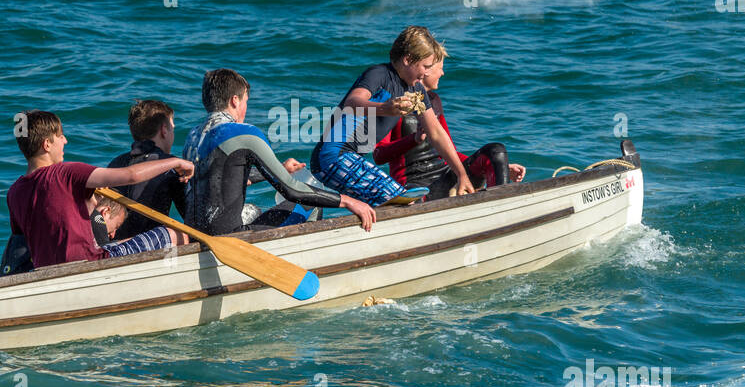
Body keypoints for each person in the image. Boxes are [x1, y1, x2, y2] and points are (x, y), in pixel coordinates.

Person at [183, 68, 376, 235]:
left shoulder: (192, 137)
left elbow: (222, 179)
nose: (245, 109)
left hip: (196, 234)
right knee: (312, 204)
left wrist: (280, 168)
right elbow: (292, 190)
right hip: (231, 241)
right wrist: (347, 201)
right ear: (235, 100)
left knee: (253, 210)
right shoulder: (244, 132)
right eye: (245, 101)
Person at [6, 110, 194, 270]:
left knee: (119, 243)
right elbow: (131, 175)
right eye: (60, 136)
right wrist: (175, 161)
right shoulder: (67, 172)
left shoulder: (14, 192)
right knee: (172, 235)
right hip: (88, 264)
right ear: (46, 144)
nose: (65, 140)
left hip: (46, 270)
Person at [310, 26, 475, 205]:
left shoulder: (416, 89)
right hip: (332, 156)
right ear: (408, 59)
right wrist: (384, 108)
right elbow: (352, 102)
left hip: (351, 159)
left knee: (402, 200)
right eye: (425, 66)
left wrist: (461, 174)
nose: (427, 73)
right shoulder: (379, 74)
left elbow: (436, 133)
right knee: (402, 198)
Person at [373, 43, 525, 199]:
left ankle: (500, 204)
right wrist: (414, 139)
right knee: (413, 196)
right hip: (415, 185)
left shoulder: (434, 100)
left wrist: (498, 168)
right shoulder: (393, 103)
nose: (443, 73)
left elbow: (449, 150)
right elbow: (379, 155)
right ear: (425, 70)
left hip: (447, 177)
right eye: (440, 68)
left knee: (496, 151)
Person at [101, 99, 188, 243]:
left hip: (113, 246)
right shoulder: (171, 167)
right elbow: (190, 216)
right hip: (149, 247)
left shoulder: (115, 164)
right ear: (164, 130)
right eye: (172, 128)